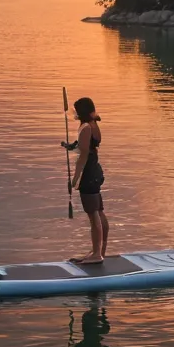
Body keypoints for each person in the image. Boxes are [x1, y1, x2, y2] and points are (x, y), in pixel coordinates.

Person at [62, 97, 109, 264]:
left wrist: (74, 180)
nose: (74, 113)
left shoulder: (85, 128)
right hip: (96, 172)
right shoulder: (93, 125)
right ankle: (99, 251)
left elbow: (83, 156)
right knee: (99, 210)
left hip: (88, 174)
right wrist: (72, 146)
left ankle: (97, 254)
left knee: (93, 213)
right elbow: (87, 146)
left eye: (76, 110)